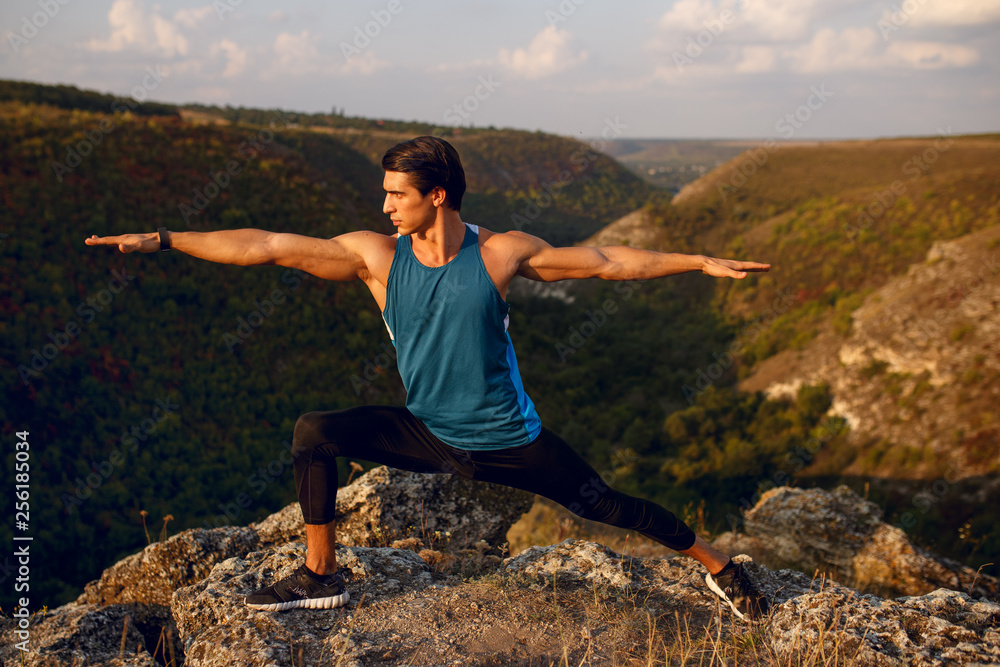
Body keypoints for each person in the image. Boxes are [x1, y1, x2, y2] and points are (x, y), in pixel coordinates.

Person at [85, 135, 771, 620]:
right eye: (385, 193)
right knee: (314, 432)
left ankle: (719, 565)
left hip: (510, 440)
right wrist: (166, 239)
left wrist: (697, 261)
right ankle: (321, 574)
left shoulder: (500, 254)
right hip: (428, 433)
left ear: (437, 195)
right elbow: (266, 247)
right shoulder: (376, 258)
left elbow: (607, 261)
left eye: (398, 194)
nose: (386, 206)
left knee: (608, 506)